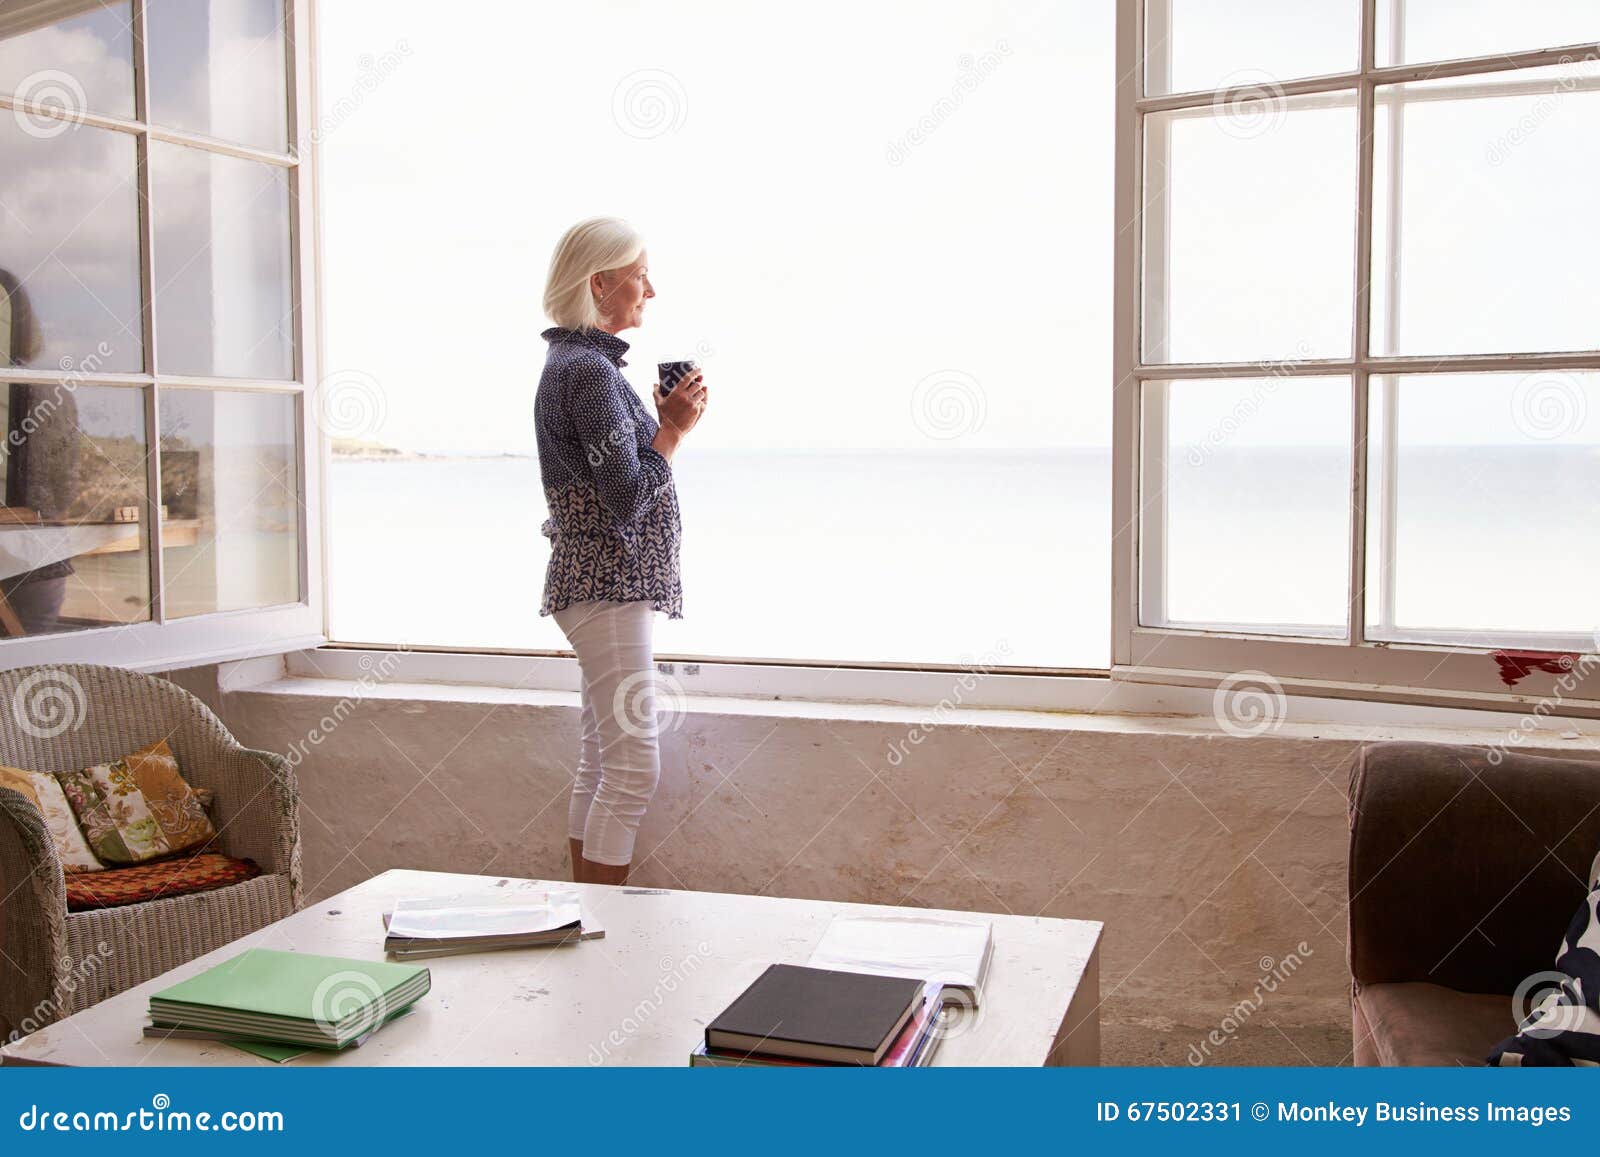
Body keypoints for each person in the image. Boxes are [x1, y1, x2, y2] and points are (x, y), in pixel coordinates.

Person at [535, 217, 708, 885]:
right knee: (634, 766)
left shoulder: (580, 366)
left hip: (596, 585)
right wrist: (672, 429)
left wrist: (661, 425)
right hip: (607, 585)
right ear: (600, 283)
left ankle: (583, 923)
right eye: (640, 274)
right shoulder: (588, 374)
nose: (651, 290)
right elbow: (628, 497)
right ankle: (601, 928)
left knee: (601, 759)